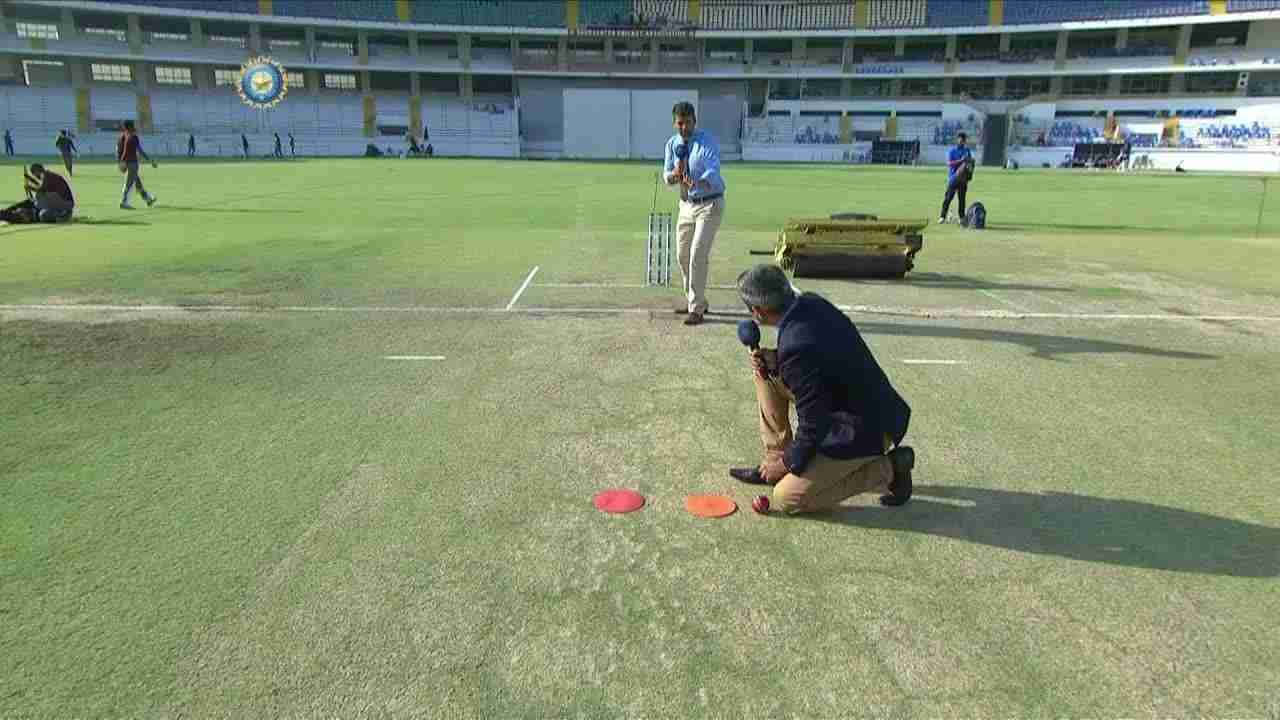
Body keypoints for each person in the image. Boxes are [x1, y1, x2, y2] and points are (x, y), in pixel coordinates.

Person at [729, 264, 915, 513]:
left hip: (865, 428)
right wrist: (775, 359)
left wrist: (787, 464)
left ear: (757, 311)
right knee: (765, 375)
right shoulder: (811, 303)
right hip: (858, 404)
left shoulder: (795, 347)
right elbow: (819, 358)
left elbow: (814, 424)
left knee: (787, 498)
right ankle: (773, 459)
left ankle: (890, 468)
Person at [663, 101, 726, 326]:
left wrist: (696, 181)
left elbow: (713, 171)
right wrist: (674, 176)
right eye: (680, 123)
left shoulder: (707, 142)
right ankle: (695, 299)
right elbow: (666, 176)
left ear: (694, 121)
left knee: (697, 255)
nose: (684, 128)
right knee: (682, 256)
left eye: (688, 123)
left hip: (709, 204)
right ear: (674, 123)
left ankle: (696, 308)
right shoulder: (672, 144)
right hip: (686, 205)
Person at [117, 120, 157, 210]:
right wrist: (150, 161)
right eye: (134, 125)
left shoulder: (123, 136)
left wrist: (121, 162)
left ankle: (148, 199)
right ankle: (124, 202)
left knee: (137, 183)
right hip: (132, 163)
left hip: (126, 162)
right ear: (131, 127)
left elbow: (120, 150)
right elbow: (140, 150)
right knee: (129, 183)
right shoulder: (133, 137)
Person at [939, 132, 973, 224]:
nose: (962, 142)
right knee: (948, 198)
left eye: (963, 140)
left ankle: (961, 217)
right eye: (960, 140)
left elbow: (970, 163)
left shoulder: (967, 150)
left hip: (963, 179)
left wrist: (970, 168)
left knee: (962, 199)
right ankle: (942, 216)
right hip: (953, 178)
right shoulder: (952, 151)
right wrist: (961, 160)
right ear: (957, 140)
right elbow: (950, 163)